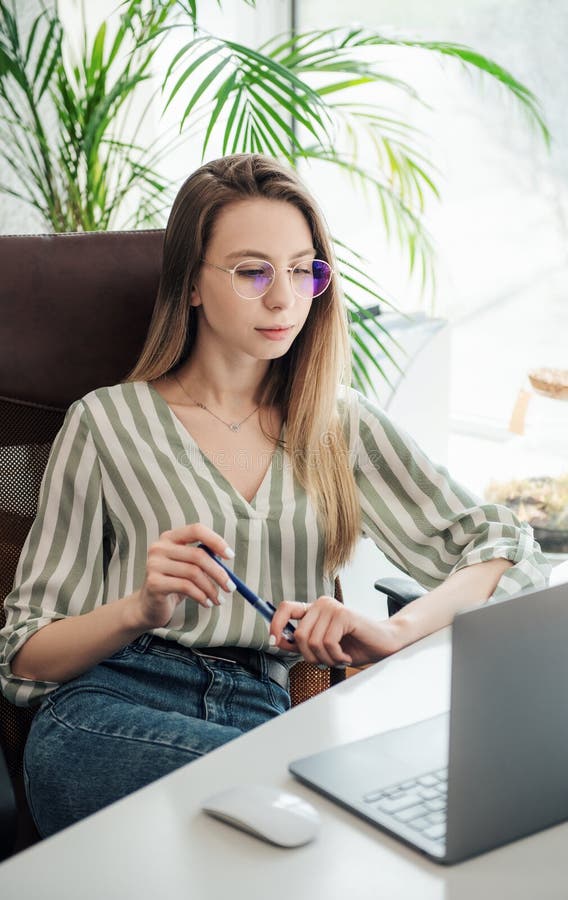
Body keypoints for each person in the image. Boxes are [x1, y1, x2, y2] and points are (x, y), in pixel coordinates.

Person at [0, 153, 549, 838]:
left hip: (263, 712)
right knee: (317, 808)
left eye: (303, 270)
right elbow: (23, 653)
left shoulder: (336, 427)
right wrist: (139, 607)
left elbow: (502, 546)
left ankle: (311, 798)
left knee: (292, 818)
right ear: (192, 286)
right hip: (109, 709)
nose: (284, 299)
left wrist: (392, 633)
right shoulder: (106, 422)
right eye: (253, 271)